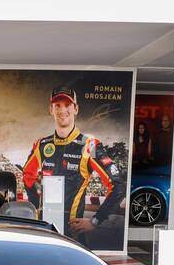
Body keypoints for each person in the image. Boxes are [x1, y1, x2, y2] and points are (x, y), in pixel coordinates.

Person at [22, 83, 125, 242]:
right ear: (51, 110)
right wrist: (35, 206)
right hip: (45, 230)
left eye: (67, 104)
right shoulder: (41, 145)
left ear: (76, 109)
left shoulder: (90, 145)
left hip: (73, 234)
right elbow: (27, 175)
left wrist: (95, 220)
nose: (62, 110)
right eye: (57, 105)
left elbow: (118, 186)